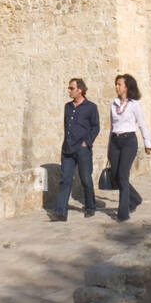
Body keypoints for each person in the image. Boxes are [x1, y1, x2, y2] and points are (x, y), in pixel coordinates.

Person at [52, 78, 100, 221]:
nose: (69, 91)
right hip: (67, 149)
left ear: (80, 90)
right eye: (69, 88)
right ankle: (61, 212)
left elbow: (95, 127)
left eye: (71, 88)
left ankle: (90, 207)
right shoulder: (68, 107)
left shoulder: (91, 107)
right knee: (65, 179)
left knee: (86, 178)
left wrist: (87, 143)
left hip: (82, 149)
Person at [108, 73, 151, 222]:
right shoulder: (113, 104)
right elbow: (111, 126)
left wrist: (147, 143)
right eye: (116, 84)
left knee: (123, 174)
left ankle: (123, 213)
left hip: (129, 141)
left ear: (126, 87)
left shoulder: (134, 105)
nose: (117, 87)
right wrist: (109, 147)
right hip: (115, 140)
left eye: (119, 84)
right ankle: (135, 198)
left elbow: (141, 124)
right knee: (115, 175)